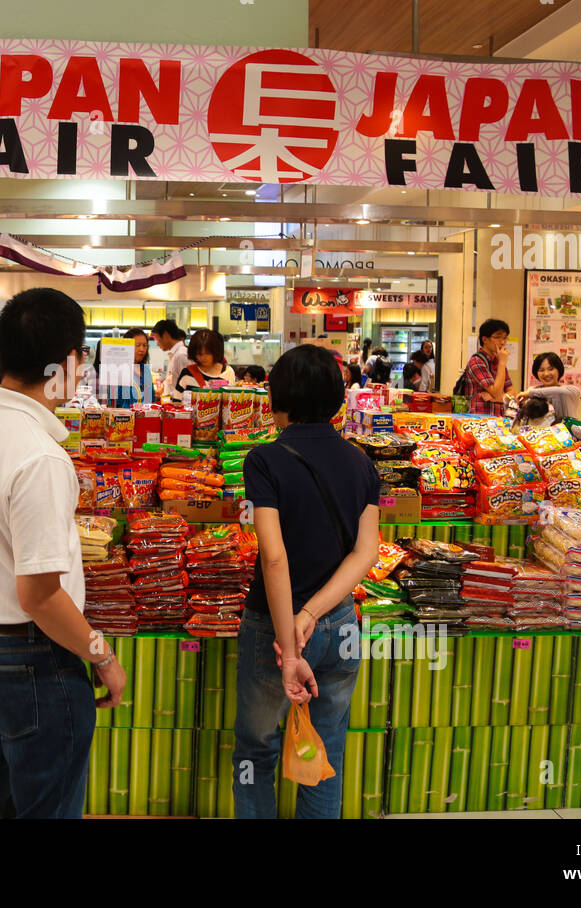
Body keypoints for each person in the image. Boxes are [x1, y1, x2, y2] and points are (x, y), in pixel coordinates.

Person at [0, 287, 126, 819]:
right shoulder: (40, 457)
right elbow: (40, 595)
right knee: (47, 805)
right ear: (66, 362)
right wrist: (102, 655)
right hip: (32, 660)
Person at [233, 344, 380, 819]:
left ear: (279, 397)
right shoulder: (361, 462)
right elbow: (366, 553)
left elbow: (274, 559)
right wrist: (313, 613)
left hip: (273, 631)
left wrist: (290, 644)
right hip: (339, 625)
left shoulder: (264, 460)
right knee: (325, 750)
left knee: (257, 752)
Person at [458, 319, 513, 416]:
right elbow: (496, 392)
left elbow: (512, 393)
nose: (503, 342)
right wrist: (502, 363)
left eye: (505, 338)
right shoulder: (476, 361)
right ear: (484, 339)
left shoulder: (499, 361)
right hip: (479, 418)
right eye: (498, 337)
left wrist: (499, 398)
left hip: (498, 418)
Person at [518, 351, 581, 423]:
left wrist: (530, 393)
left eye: (551, 369)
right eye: (541, 370)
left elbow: (559, 392)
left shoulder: (571, 391)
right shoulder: (532, 392)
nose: (546, 374)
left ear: (559, 370)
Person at [175, 329, 236, 394]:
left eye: (207, 353)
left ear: (215, 351)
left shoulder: (228, 372)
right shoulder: (187, 373)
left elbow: (231, 400)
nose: (203, 357)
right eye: (199, 354)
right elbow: (177, 401)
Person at [151, 319, 189, 401]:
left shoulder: (181, 355)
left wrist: (166, 397)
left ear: (165, 335)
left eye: (157, 339)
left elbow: (186, 387)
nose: (157, 343)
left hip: (177, 406)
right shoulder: (174, 355)